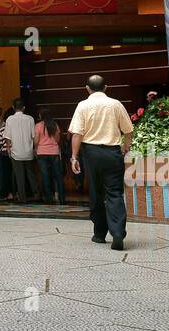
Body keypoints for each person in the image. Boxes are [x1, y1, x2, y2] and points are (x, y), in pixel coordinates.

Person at [68, 76, 132, 249]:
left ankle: (99, 234)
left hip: (92, 154)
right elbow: (128, 130)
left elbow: (77, 134)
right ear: (105, 87)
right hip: (112, 152)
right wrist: (125, 148)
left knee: (96, 194)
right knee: (114, 192)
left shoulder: (83, 105)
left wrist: (74, 156)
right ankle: (118, 232)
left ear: (87, 88)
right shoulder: (116, 104)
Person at [3, 98, 37, 203]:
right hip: (28, 151)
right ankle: (37, 194)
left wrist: (8, 148)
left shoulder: (9, 119)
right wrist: (35, 149)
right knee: (31, 174)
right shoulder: (30, 119)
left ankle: (22, 198)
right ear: (24, 108)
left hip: (16, 152)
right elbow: (34, 136)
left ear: (13, 107)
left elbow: (7, 137)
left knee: (19, 175)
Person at [34, 113, 66, 204]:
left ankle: (48, 198)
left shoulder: (38, 125)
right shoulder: (54, 124)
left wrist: (36, 149)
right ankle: (62, 198)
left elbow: (36, 140)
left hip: (42, 152)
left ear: (41, 116)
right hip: (54, 152)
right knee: (58, 176)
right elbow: (58, 139)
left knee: (45, 176)